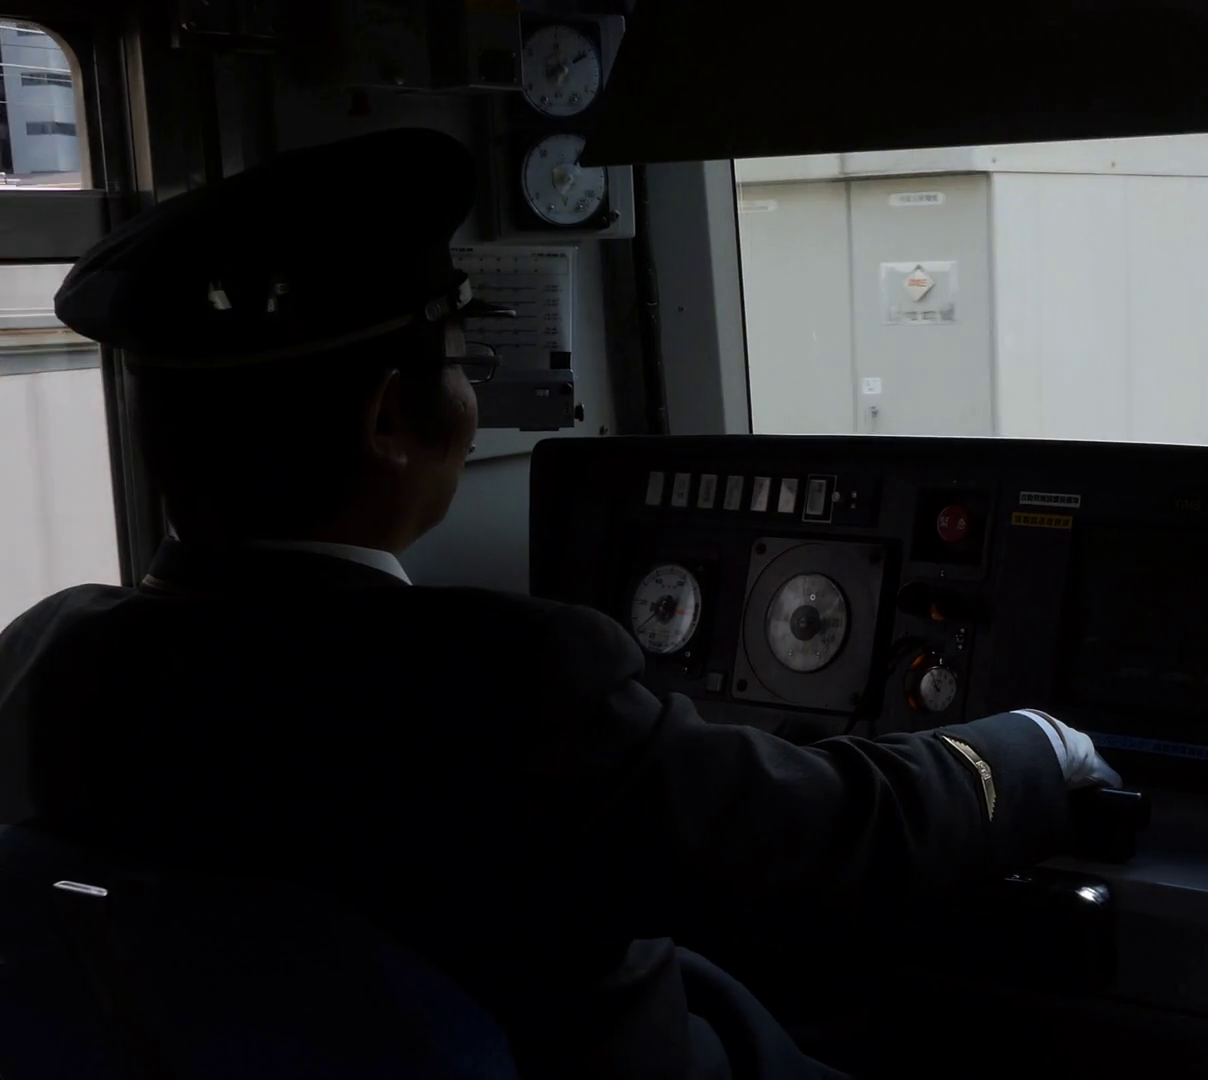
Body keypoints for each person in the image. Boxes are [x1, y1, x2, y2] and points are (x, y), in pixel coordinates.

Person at [0, 128, 1120, 1079]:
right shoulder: (498, 688)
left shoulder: (47, 659)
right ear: (391, 420)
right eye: (456, 356)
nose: (472, 390)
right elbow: (819, 838)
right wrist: (1030, 751)